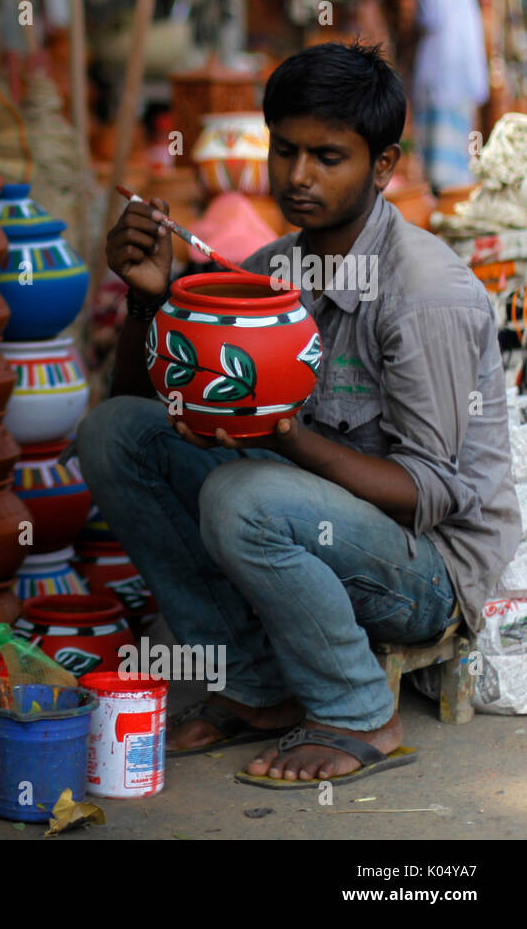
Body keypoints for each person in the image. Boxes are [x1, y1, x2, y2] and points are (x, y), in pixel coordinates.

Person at [82, 42, 518, 787]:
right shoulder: (273, 270)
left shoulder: (423, 293)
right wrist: (148, 298)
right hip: (313, 518)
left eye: (328, 156)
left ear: (384, 166)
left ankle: (357, 711)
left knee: (241, 493)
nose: (298, 177)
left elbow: (433, 494)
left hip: (430, 570)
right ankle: (255, 687)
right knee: (115, 436)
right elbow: (145, 404)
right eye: (284, 151)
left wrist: (286, 437)